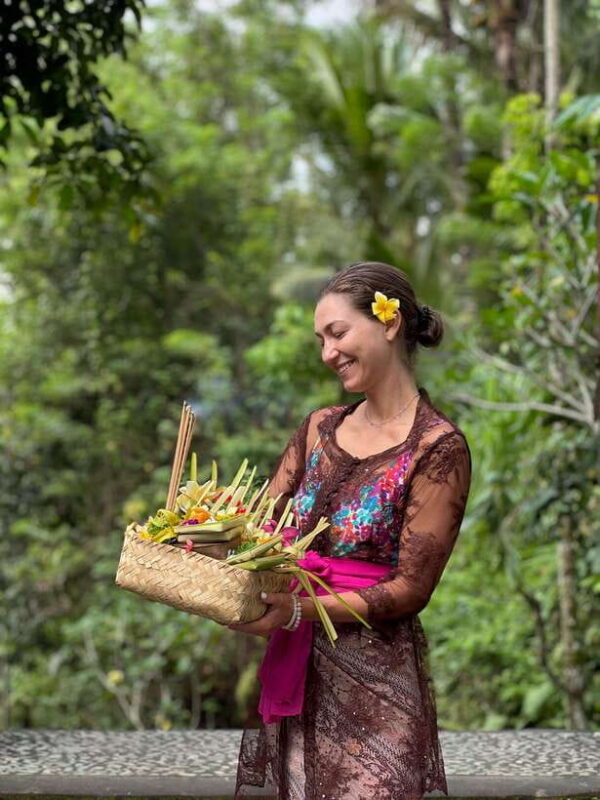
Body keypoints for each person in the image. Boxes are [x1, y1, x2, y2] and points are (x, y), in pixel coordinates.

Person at [230, 261, 472, 800]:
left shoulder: (437, 448)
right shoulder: (320, 428)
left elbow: (412, 588)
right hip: (300, 677)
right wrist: (207, 542)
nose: (327, 353)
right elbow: (259, 530)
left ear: (388, 323)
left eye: (337, 333)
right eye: (321, 339)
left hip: (376, 688)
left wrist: (303, 609)